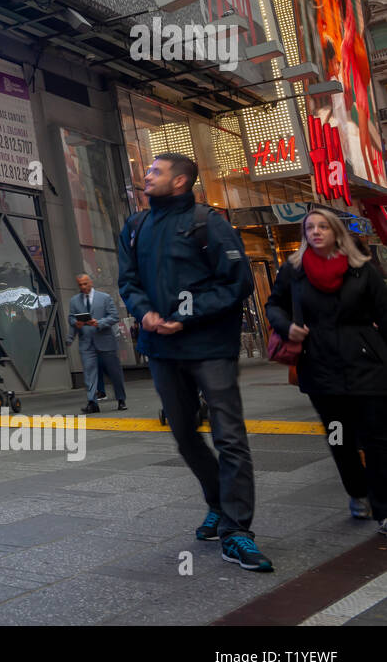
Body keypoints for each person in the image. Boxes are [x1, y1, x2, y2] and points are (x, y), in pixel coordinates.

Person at [118, 153, 271, 572]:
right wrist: (145, 312)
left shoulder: (209, 223)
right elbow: (128, 280)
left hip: (210, 346)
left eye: (156, 171)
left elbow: (237, 283)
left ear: (180, 181)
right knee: (184, 434)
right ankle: (218, 503)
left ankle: (237, 531)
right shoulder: (135, 226)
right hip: (161, 348)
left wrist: (185, 316)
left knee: (229, 436)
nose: (147, 175)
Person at [265, 207, 387, 535]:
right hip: (319, 366)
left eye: (323, 226)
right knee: (339, 436)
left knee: (376, 438)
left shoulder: (362, 269)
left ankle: (384, 507)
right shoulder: (293, 270)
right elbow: (273, 305)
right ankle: (357, 492)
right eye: (310, 228)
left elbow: (385, 313)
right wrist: (286, 326)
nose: (316, 232)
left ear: (336, 232)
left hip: (366, 364)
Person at [66, 273, 128, 412]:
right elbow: (71, 318)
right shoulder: (74, 301)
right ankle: (92, 402)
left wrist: (99, 323)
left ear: (91, 283)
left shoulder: (104, 298)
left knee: (114, 372)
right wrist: (75, 324)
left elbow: (114, 316)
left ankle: (121, 399)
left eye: (85, 284)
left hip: (106, 341)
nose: (83, 287)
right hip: (86, 343)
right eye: (80, 285)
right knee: (89, 373)